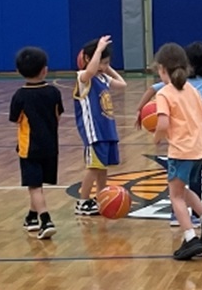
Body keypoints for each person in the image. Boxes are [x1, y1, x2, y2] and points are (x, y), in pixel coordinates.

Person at [151, 43, 202, 260]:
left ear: (163, 69)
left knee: (175, 195)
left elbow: (163, 125)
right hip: (198, 150)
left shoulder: (165, 93)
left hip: (181, 151)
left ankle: (190, 237)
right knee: (182, 189)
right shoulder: (192, 90)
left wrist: (156, 137)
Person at [135, 42, 202, 228]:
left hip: (180, 147)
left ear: (162, 69)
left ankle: (185, 228)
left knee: (176, 191)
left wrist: (154, 132)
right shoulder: (198, 90)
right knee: (193, 183)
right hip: (199, 144)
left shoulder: (166, 91)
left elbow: (161, 118)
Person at [9, 47, 63, 240]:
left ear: (18, 71)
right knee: (38, 185)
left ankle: (45, 219)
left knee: (34, 186)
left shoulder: (20, 96)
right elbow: (57, 116)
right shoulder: (54, 92)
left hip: (29, 147)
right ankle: (31, 217)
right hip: (51, 146)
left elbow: (16, 119)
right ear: (45, 70)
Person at [73, 36, 126, 216]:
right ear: (89, 59)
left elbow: (123, 84)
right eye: (101, 63)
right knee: (94, 167)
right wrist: (98, 51)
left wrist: (108, 67)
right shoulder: (83, 77)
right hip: (94, 132)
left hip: (107, 129)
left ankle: (101, 197)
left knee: (103, 167)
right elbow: (89, 71)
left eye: (107, 63)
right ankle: (83, 201)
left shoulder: (103, 78)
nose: (103, 67)